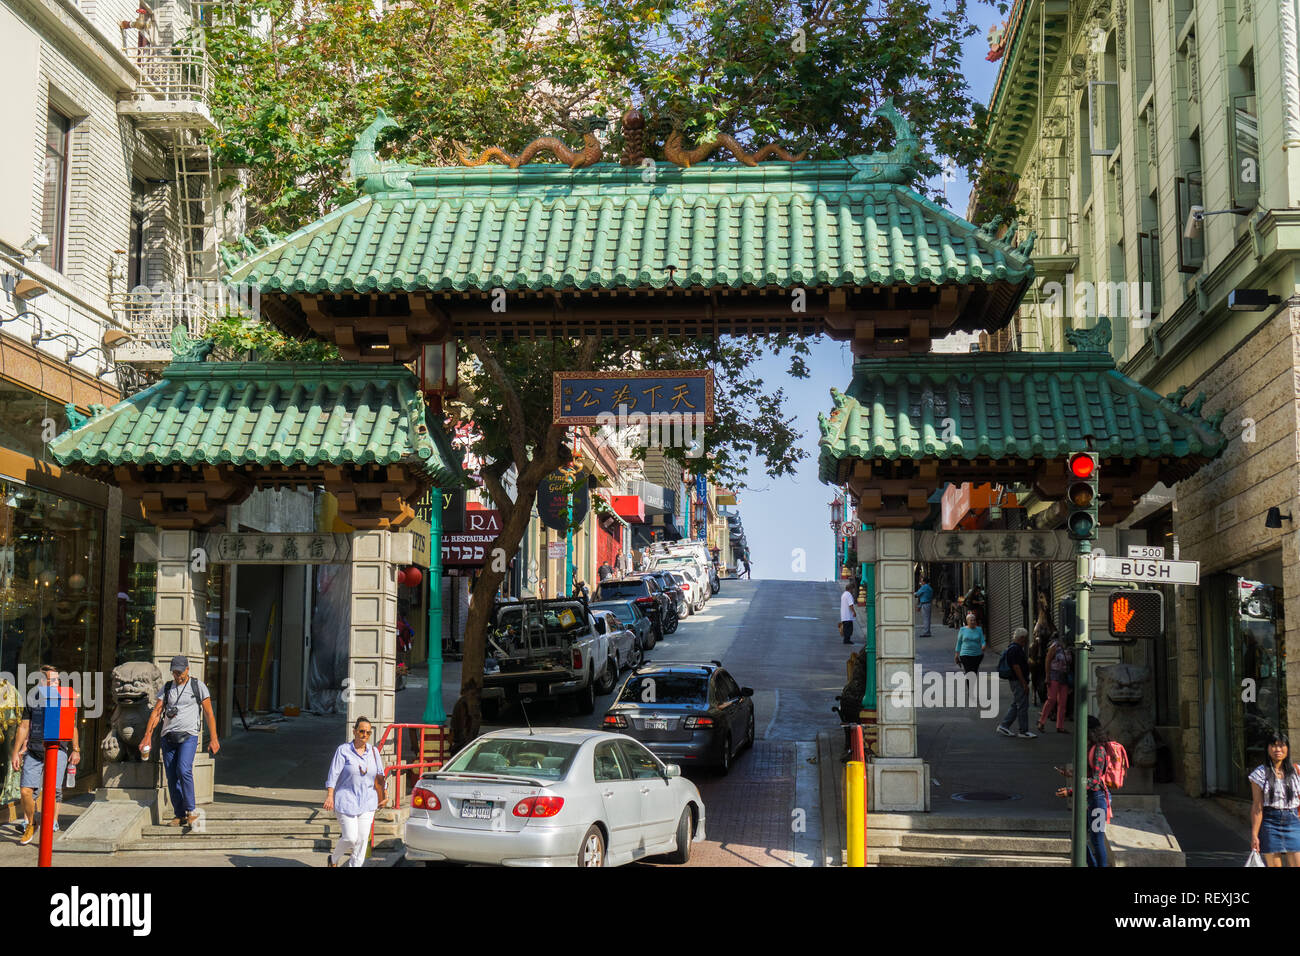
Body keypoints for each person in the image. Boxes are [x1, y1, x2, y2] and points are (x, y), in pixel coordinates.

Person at [139, 655, 220, 827]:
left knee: (183, 769)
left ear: (187, 669)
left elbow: (209, 713)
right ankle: (179, 814)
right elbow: (156, 712)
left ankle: (191, 810)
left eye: (180, 672)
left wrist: (213, 738)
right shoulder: (168, 688)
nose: (177, 676)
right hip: (168, 737)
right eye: (174, 672)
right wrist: (147, 735)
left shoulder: (198, 686)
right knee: (171, 776)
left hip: (189, 736)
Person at [11, 665, 80, 846]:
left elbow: (72, 726)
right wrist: (15, 752)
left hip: (57, 749)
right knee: (26, 790)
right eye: (53, 680)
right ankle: (31, 822)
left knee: (54, 790)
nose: (56, 683)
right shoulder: (33, 698)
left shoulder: (64, 697)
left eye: (58, 680)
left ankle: (52, 821)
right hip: (34, 749)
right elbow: (24, 726)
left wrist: (76, 749)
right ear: (43, 682)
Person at [324, 716, 388, 867]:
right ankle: (333, 860)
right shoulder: (343, 750)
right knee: (350, 838)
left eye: (368, 732)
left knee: (362, 840)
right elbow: (333, 774)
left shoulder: (373, 752)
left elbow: (380, 774)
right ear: (354, 731)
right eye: (361, 731)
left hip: (368, 801)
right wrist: (330, 796)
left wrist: (385, 794)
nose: (365, 735)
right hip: (346, 800)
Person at [1056, 717, 1112, 866]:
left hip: (1098, 799)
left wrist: (1071, 790)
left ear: (1088, 731)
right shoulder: (1091, 748)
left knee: (1097, 839)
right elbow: (1087, 774)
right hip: (1090, 799)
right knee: (1076, 835)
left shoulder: (1099, 749)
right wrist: (1071, 774)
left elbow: (1095, 780)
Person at [1249, 731, 1300, 867]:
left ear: (1287, 748)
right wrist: (1254, 834)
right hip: (1270, 822)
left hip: (1293, 822)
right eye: (1273, 745)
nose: (1277, 749)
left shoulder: (1297, 772)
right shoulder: (1259, 773)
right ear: (1267, 749)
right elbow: (1257, 806)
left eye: (1281, 745)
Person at [996, 628, 1037, 738]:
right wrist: (1023, 683)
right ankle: (1023, 731)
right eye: (1026, 638)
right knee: (1022, 706)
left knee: (1017, 704)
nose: (1027, 640)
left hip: (1016, 680)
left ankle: (1004, 726)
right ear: (1022, 638)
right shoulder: (1015, 649)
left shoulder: (1014, 648)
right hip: (1017, 681)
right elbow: (1016, 667)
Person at [1037, 634, 1072, 733]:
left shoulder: (1069, 648)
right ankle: (1041, 721)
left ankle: (1060, 726)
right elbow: (1047, 660)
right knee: (1051, 699)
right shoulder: (1055, 646)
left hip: (1064, 676)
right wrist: (1047, 676)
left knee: (1062, 702)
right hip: (1054, 675)